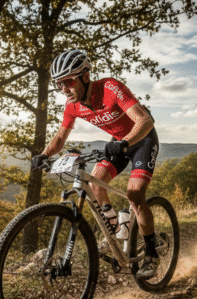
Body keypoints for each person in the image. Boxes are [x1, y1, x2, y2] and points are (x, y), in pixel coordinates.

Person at [31, 49, 161, 280]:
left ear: (85, 76)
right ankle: (117, 232)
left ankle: (151, 252)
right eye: (59, 84)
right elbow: (60, 137)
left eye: (68, 82)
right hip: (118, 143)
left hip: (141, 139)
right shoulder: (72, 106)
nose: (64, 89)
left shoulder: (111, 88)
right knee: (95, 184)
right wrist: (43, 155)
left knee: (134, 195)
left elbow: (144, 120)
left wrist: (125, 142)